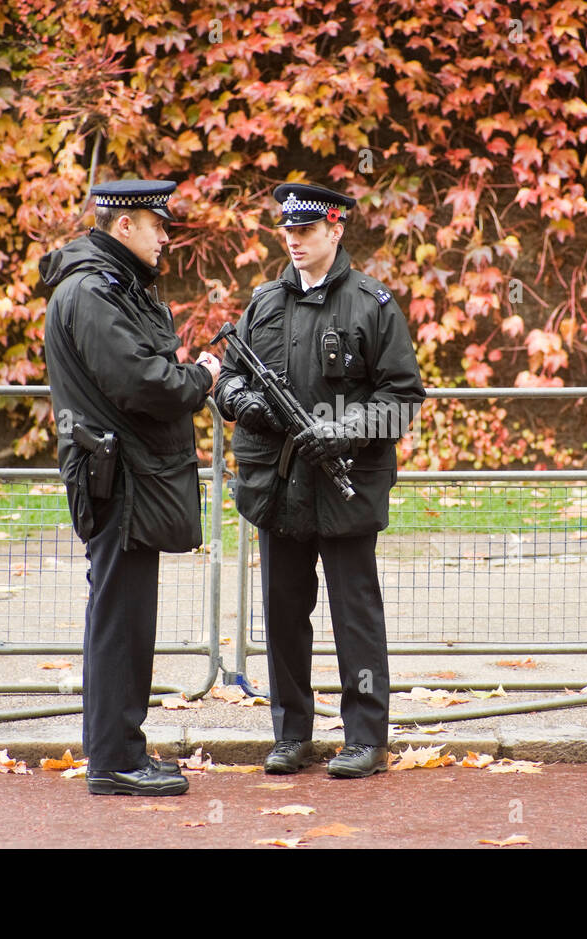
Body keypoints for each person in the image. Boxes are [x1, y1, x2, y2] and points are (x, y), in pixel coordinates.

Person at [216, 183, 425, 778]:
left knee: (354, 613)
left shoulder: (372, 304)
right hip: (277, 488)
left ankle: (364, 738)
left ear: (336, 230)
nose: (293, 239)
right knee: (283, 613)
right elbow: (227, 381)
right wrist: (243, 402)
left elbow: (403, 396)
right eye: (287, 230)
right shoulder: (262, 304)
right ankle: (291, 734)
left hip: (343, 484)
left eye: (306, 230)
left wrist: (347, 430)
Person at [41, 179, 221, 796]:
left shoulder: (107, 285)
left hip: (121, 476)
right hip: (118, 480)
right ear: (124, 227)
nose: (166, 237)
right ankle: (115, 761)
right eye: (158, 225)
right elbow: (143, 385)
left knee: (124, 617)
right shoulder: (94, 290)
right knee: (120, 620)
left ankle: (120, 751)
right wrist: (202, 376)